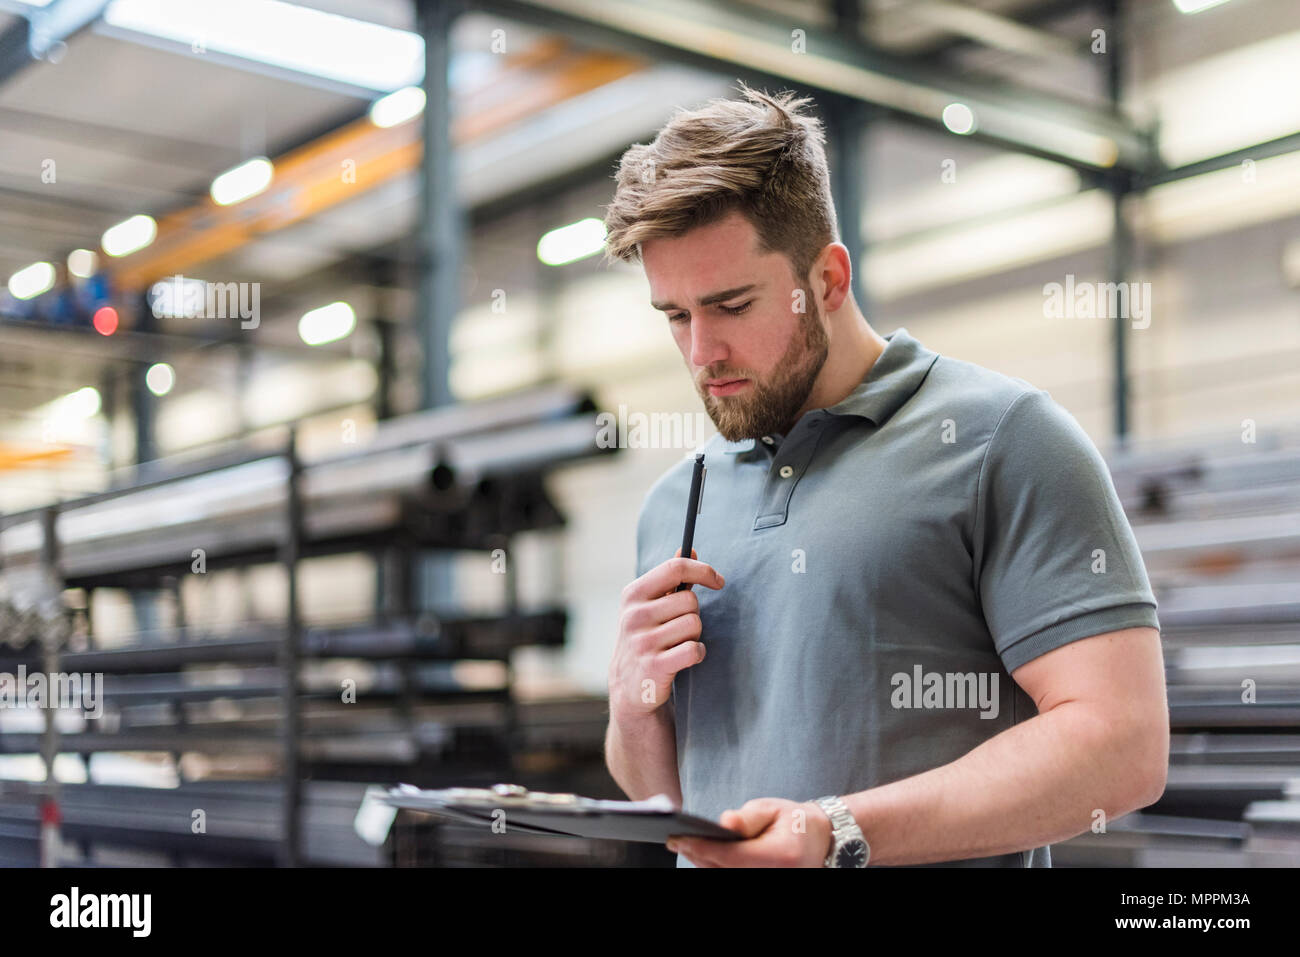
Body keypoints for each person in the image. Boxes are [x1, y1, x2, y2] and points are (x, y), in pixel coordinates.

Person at [600, 84, 1168, 868]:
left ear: (828, 280)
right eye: (675, 315)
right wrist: (632, 706)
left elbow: (1122, 744)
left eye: (731, 304)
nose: (701, 353)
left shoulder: (1002, 441)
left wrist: (836, 831)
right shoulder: (680, 500)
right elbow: (667, 799)